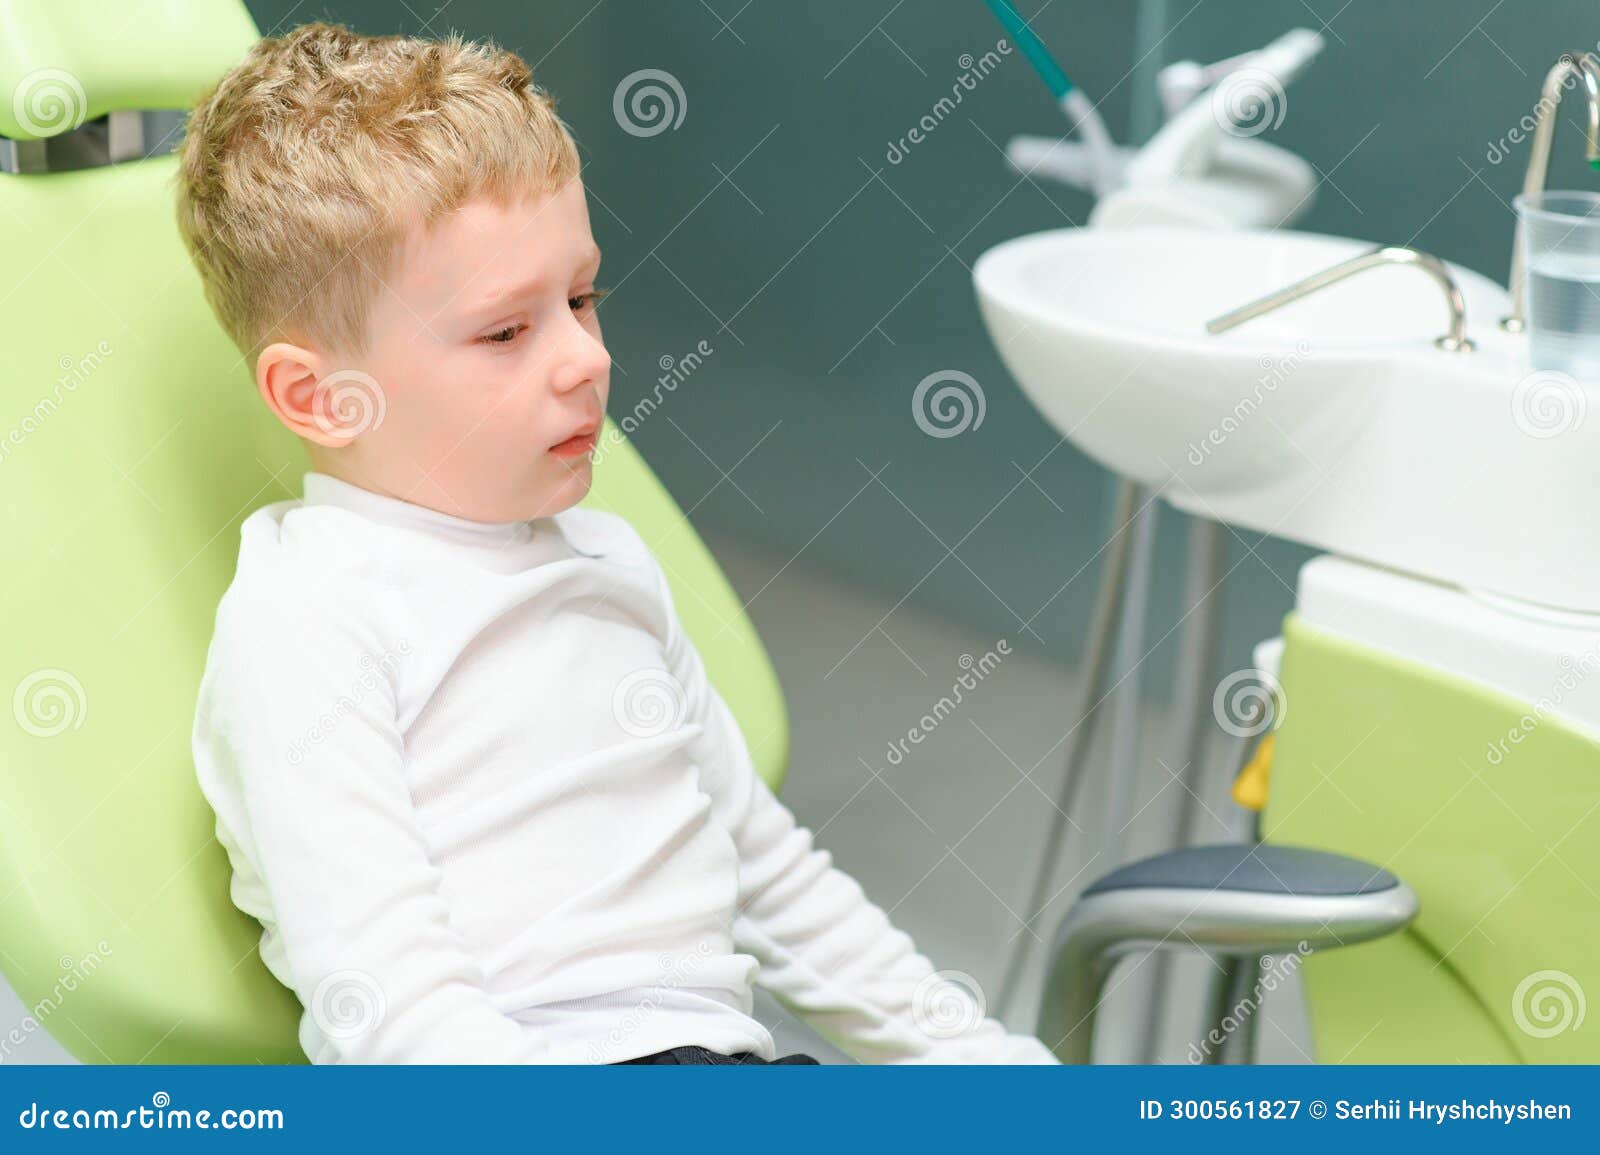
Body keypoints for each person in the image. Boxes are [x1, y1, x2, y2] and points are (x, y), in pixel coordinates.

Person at [178, 21, 1059, 1066]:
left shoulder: (605, 560)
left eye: (581, 299)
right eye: (506, 331)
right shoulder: (314, 618)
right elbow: (395, 1010)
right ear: (320, 396)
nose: (585, 359)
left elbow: (767, 874)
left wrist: (985, 1062)